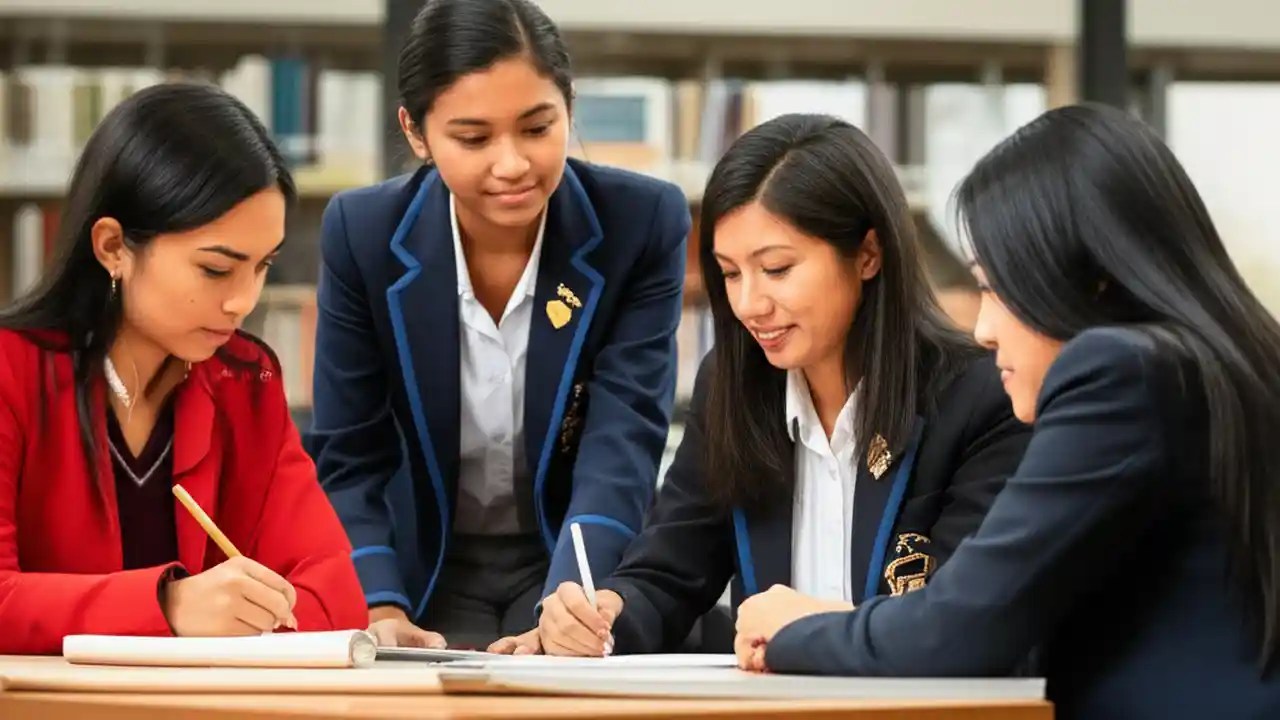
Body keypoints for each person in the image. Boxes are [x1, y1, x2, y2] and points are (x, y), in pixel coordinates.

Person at [736, 104, 1280, 719]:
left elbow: (963, 628)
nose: (986, 330)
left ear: (1091, 280)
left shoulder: (1121, 372)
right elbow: (1009, 622)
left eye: (996, 288)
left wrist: (787, 629)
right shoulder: (1217, 366)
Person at [511, 113, 1030, 657]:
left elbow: (959, 620)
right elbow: (668, 573)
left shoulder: (980, 398)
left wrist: (808, 628)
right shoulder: (733, 385)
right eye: (731, 274)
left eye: (777, 269)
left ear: (869, 255)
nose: (749, 305)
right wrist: (605, 615)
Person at [307, 0, 691, 651]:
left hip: (569, 553)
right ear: (416, 131)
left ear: (568, 105)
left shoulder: (641, 222)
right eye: (474, 138)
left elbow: (623, 438)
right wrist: (377, 601)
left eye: (538, 128)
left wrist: (571, 600)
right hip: (418, 566)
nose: (512, 164)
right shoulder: (361, 234)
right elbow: (350, 452)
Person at [0, 83, 368, 655]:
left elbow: (335, 597)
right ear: (113, 246)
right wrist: (169, 606)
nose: (243, 301)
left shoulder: (246, 379)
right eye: (217, 270)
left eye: (262, 266)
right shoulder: (12, 370)